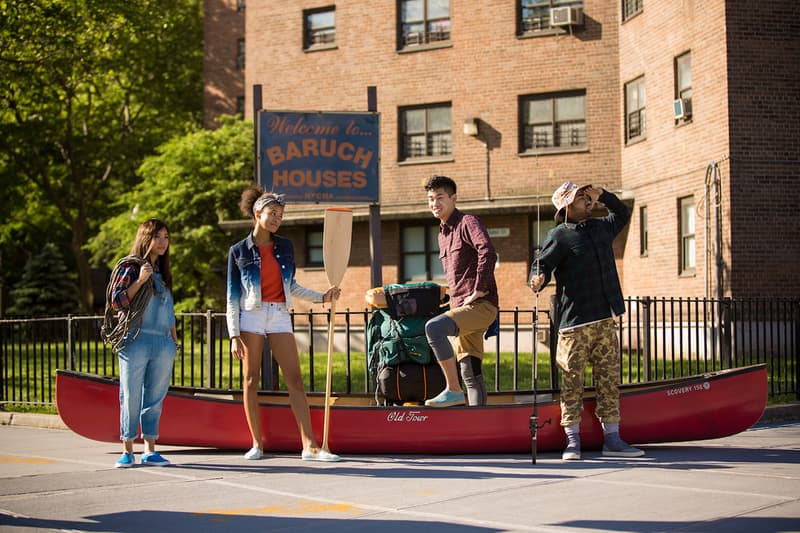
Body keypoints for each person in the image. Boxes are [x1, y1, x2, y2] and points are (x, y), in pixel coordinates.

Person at [529, 181, 644, 460]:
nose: (587, 202)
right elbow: (541, 264)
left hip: (604, 318)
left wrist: (603, 195)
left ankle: (613, 439)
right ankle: (572, 441)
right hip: (574, 325)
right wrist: (538, 278)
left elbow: (623, 213)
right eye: (581, 199)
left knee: (608, 380)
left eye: (587, 197)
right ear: (566, 206)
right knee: (572, 382)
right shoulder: (559, 235)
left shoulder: (601, 228)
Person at [226, 185, 342, 461]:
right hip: (250, 315)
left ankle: (310, 446)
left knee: (295, 380)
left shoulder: (285, 247)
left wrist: (322, 297)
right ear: (257, 213)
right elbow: (232, 297)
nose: (278, 219)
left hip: (279, 314)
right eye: (273, 213)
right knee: (250, 379)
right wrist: (233, 335)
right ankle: (257, 443)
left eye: (281, 215)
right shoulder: (238, 251)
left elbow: (292, 286)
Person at [102, 218, 178, 468]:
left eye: (166, 237)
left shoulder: (164, 272)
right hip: (134, 339)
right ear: (146, 238)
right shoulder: (131, 267)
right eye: (158, 237)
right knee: (131, 394)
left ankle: (150, 449)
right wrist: (140, 281)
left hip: (162, 342)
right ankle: (127, 450)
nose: (163, 243)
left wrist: (173, 341)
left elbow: (169, 308)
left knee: (155, 397)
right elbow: (117, 302)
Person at [422, 175, 499, 407]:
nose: (434, 203)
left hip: (481, 305)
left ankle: (453, 390)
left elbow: (488, 251)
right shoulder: (442, 234)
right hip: (462, 308)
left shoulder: (468, 222)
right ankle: (479, 425)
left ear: (453, 198)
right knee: (470, 371)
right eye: (430, 199)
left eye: (440, 198)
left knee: (433, 328)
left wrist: (479, 289)